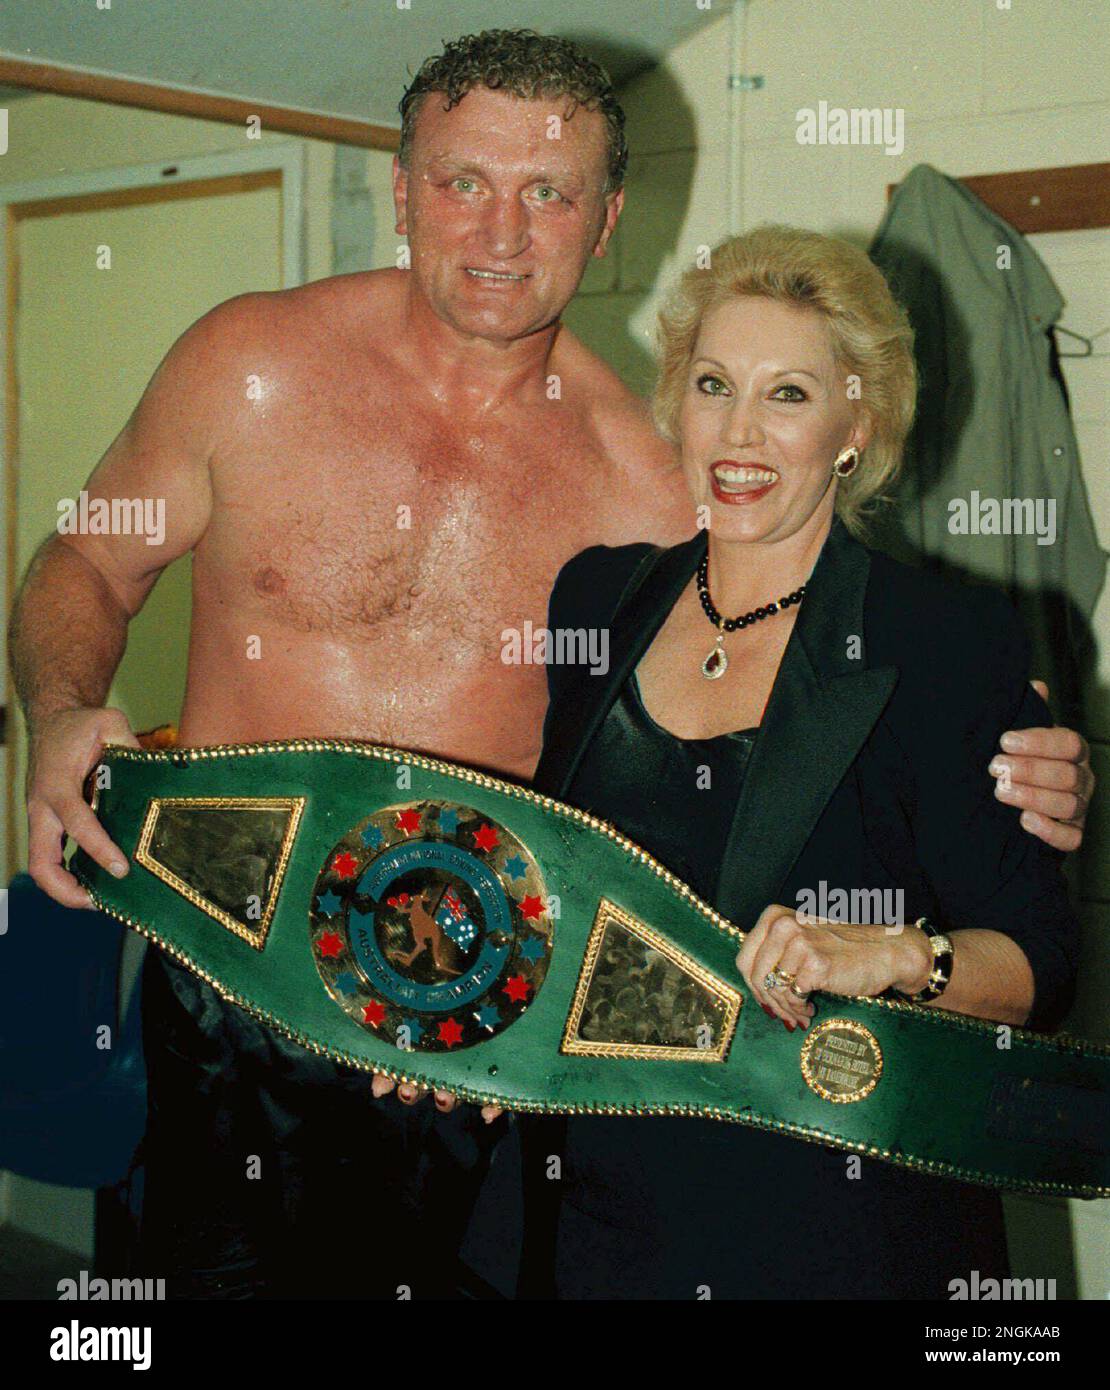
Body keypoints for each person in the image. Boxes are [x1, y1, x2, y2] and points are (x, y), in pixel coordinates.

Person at [7, 31, 1092, 1299]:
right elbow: (84, 567)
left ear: (606, 217)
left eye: (549, 192)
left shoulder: (647, 490)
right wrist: (65, 709)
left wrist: (1012, 747)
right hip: (231, 987)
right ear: (400, 188)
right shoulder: (243, 368)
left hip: (486, 1037)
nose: (500, 232)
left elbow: (794, 681)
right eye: (463, 182)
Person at [505, 224, 1084, 1299]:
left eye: (790, 395)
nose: (740, 432)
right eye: (715, 383)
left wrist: (901, 958)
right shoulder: (597, 599)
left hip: (831, 1228)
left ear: (856, 424)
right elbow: (556, 886)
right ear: (675, 399)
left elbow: (1039, 964)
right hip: (588, 1214)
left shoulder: (945, 640)